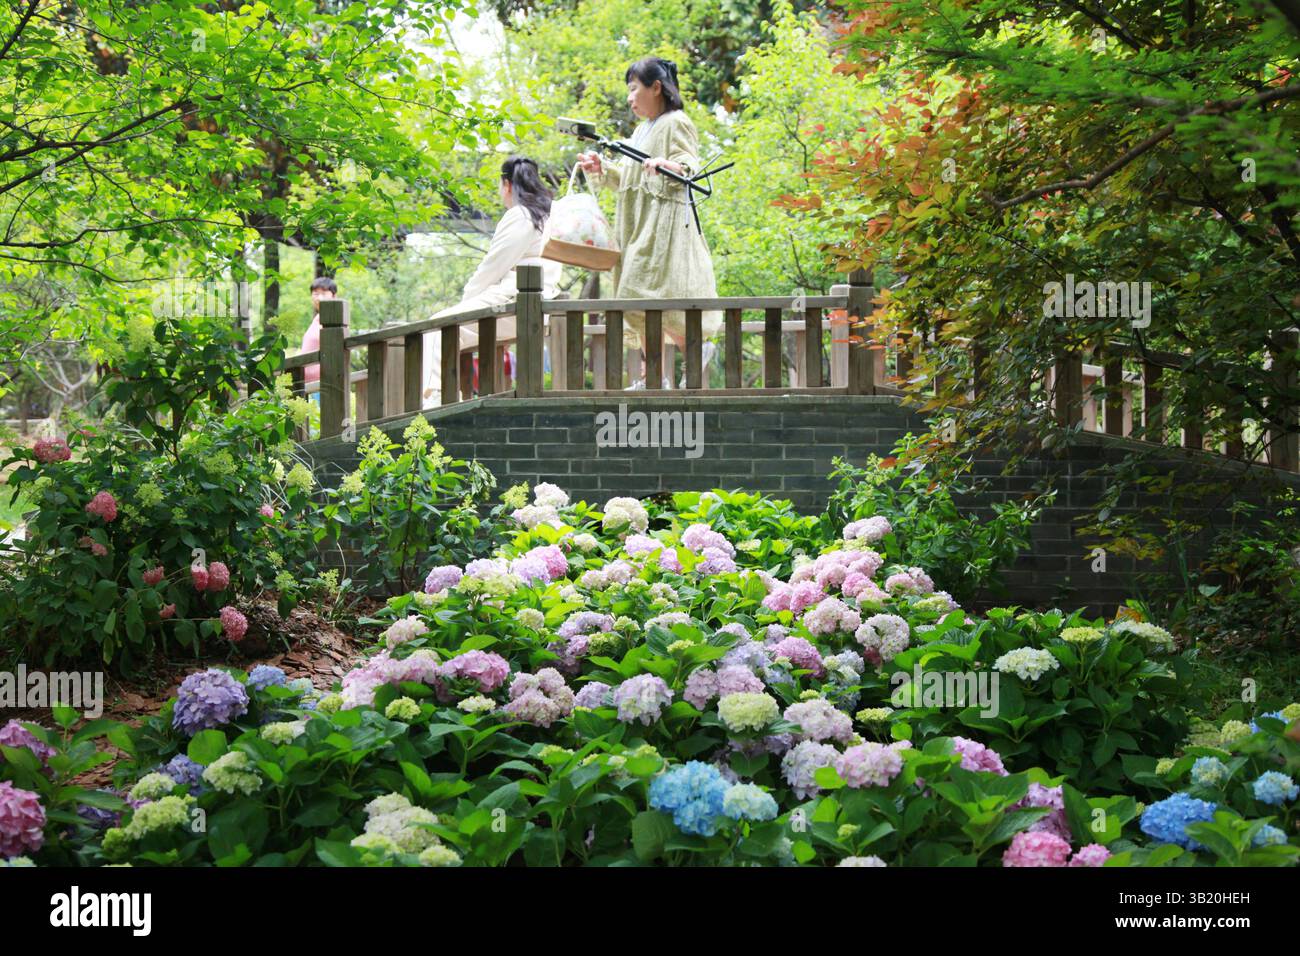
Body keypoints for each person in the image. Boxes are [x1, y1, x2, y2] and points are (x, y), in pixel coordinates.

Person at [577, 56, 720, 388]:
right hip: (635, 223)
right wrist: (601, 170)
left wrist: (668, 165)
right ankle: (654, 376)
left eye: (633, 89)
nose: (629, 98)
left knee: (639, 292)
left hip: (660, 224)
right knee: (635, 301)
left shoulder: (676, 122)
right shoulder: (641, 130)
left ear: (656, 87)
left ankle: (692, 354)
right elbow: (629, 179)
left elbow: (689, 165)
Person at [423, 156, 562, 405]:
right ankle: (440, 395)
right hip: (538, 305)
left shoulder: (521, 215)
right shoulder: (551, 216)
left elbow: (492, 267)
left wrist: (464, 303)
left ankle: (433, 398)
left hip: (510, 301)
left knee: (436, 328)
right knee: (446, 330)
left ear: (507, 184)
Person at [298, 276, 338, 399]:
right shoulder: (317, 319)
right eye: (315, 294)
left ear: (334, 295)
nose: (319, 297)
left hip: (323, 384)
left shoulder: (333, 317)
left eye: (324, 293)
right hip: (309, 386)